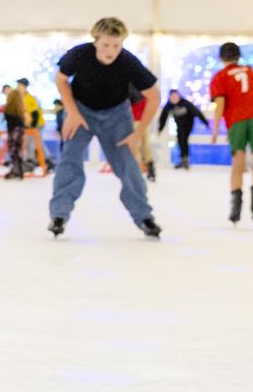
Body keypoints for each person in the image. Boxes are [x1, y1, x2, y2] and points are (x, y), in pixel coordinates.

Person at [48, 17, 161, 238]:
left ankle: (144, 217)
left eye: (116, 45)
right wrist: (71, 112)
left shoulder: (128, 62)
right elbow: (61, 79)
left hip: (117, 115)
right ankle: (59, 215)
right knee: (70, 160)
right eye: (106, 45)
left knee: (129, 166)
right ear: (96, 40)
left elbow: (154, 96)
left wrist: (138, 133)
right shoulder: (79, 54)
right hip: (81, 112)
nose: (111, 51)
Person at [209, 42, 253, 223]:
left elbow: (221, 102)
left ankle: (236, 207)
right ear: (238, 57)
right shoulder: (250, 71)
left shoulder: (220, 76)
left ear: (221, 57)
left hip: (237, 120)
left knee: (238, 163)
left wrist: (216, 128)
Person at [157, 89, 208, 170]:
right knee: (180, 140)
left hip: (188, 123)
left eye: (175, 96)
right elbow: (163, 118)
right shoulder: (169, 105)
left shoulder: (185, 103)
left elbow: (196, 112)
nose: (174, 98)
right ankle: (182, 160)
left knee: (184, 139)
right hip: (179, 125)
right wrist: (160, 129)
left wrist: (206, 123)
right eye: (172, 97)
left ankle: (186, 161)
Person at [16, 77, 53, 172]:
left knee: (35, 142)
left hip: (38, 124)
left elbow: (35, 114)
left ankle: (44, 161)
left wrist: (32, 126)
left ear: (24, 86)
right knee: (30, 142)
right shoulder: (21, 98)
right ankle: (31, 161)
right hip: (30, 125)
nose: (18, 87)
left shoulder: (29, 98)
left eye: (20, 85)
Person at [3, 86, 31, 180]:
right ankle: (19, 170)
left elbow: (8, 121)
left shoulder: (8, 109)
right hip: (20, 131)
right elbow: (26, 122)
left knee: (13, 150)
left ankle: (16, 169)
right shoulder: (21, 109)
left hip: (13, 131)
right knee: (17, 150)